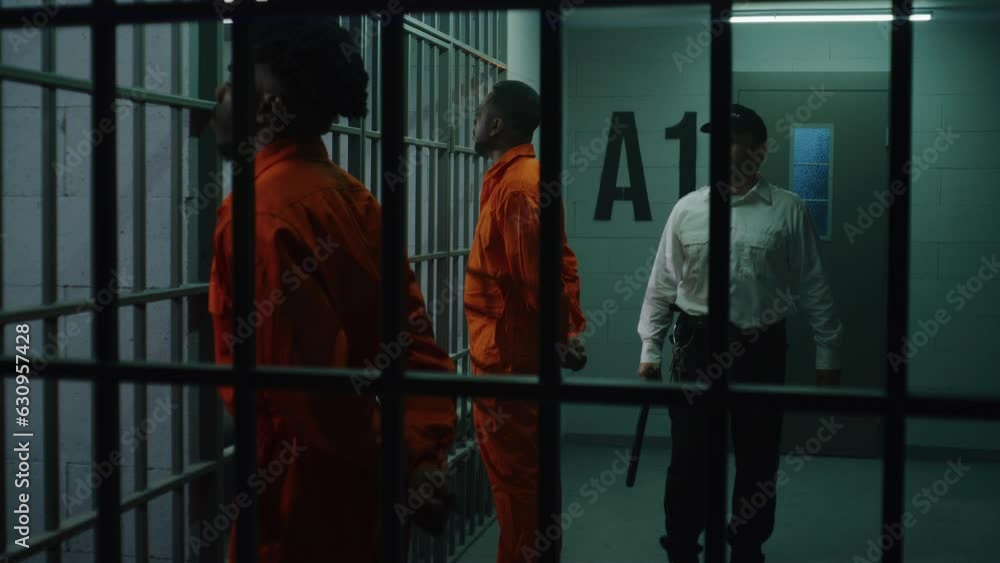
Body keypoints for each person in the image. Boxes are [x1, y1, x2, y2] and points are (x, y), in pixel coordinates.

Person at [206, 17, 456, 563]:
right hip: (370, 497)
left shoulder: (259, 216)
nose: (221, 97)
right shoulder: (353, 198)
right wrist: (419, 459)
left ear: (270, 107)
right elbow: (416, 346)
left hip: (301, 502)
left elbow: (311, 392)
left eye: (234, 79)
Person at [636, 104, 843, 563]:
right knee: (690, 457)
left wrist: (828, 355)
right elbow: (662, 285)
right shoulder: (687, 209)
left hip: (760, 347)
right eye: (718, 140)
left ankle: (747, 547)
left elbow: (813, 286)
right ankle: (683, 547)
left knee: (757, 458)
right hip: (697, 345)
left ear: (759, 149)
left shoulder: (788, 210)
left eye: (733, 139)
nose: (723, 150)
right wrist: (650, 349)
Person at [464, 79, 588, 563]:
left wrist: (560, 339)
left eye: (478, 114)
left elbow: (538, 281)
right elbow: (561, 266)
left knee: (519, 492)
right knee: (526, 487)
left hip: (509, 368)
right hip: (512, 359)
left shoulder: (517, 188)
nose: (473, 123)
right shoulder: (522, 180)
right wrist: (565, 335)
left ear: (496, 125)